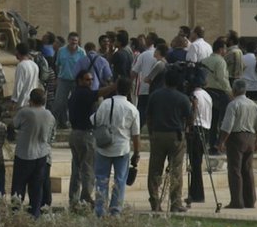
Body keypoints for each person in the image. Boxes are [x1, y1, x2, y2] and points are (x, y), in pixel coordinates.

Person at [92, 77, 141, 217]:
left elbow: (95, 120)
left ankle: (100, 210)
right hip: (122, 148)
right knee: (120, 179)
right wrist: (137, 153)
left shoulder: (106, 103)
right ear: (130, 91)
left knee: (101, 178)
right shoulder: (132, 109)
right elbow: (136, 135)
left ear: (116, 88)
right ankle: (115, 210)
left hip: (103, 147)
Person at [146, 68, 192, 212]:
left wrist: (151, 132)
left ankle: (155, 201)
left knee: (155, 170)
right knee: (176, 170)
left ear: (165, 81)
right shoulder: (183, 98)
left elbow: (148, 116)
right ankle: (175, 203)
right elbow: (190, 119)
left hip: (158, 134)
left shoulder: (155, 95)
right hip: (175, 136)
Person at [218, 80, 257, 209]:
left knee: (235, 170)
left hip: (236, 138)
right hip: (250, 137)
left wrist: (221, 141)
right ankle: (250, 200)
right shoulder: (252, 105)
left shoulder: (233, 104)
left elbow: (227, 126)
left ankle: (237, 201)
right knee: (247, 169)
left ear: (234, 90)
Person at [12, 88, 56, 218]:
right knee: (37, 188)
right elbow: (52, 135)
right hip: (41, 155)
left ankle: (15, 215)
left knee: (18, 187)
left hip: (24, 154)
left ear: (30, 99)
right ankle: (35, 215)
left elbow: (15, 124)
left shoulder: (25, 112)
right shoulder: (49, 115)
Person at [67, 69, 97, 208]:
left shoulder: (74, 94)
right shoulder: (84, 93)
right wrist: (114, 86)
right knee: (87, 168)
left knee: (77, 167)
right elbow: (99, 93)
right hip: (85, 134)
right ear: (80, 81)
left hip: (75, 134)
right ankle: (86, 198)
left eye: (91, 80)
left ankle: (73, 199)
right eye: (87, 80)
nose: (90, 82)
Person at [187, 75, 212, 205]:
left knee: (194, 163)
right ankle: (195, 191)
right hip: (206, 128)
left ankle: (196, 193)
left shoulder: (195, 95)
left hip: (196, 129)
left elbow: (194, 112)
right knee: (197, 162)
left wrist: (188, 125)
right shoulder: (207, 95)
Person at [53, 33, 85, 129]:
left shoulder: (82, 52)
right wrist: (57, 77)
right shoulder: (61, 51)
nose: (73, 42)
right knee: (59, 102)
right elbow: (57, 64)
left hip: (76, 81)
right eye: (72, 40)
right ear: (68, 40)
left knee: (76, 103)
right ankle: (55, 123)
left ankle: (75, 123)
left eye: (75, 40)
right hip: (63, 80)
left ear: (78, 41)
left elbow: (84, 67)